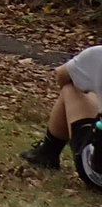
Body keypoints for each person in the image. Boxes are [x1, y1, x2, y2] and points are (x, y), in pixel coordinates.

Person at [22, 44, 102, 186]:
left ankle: (47, 151)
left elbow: (62, 76)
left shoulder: (97, 55)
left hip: (97, 176)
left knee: (72, 86)